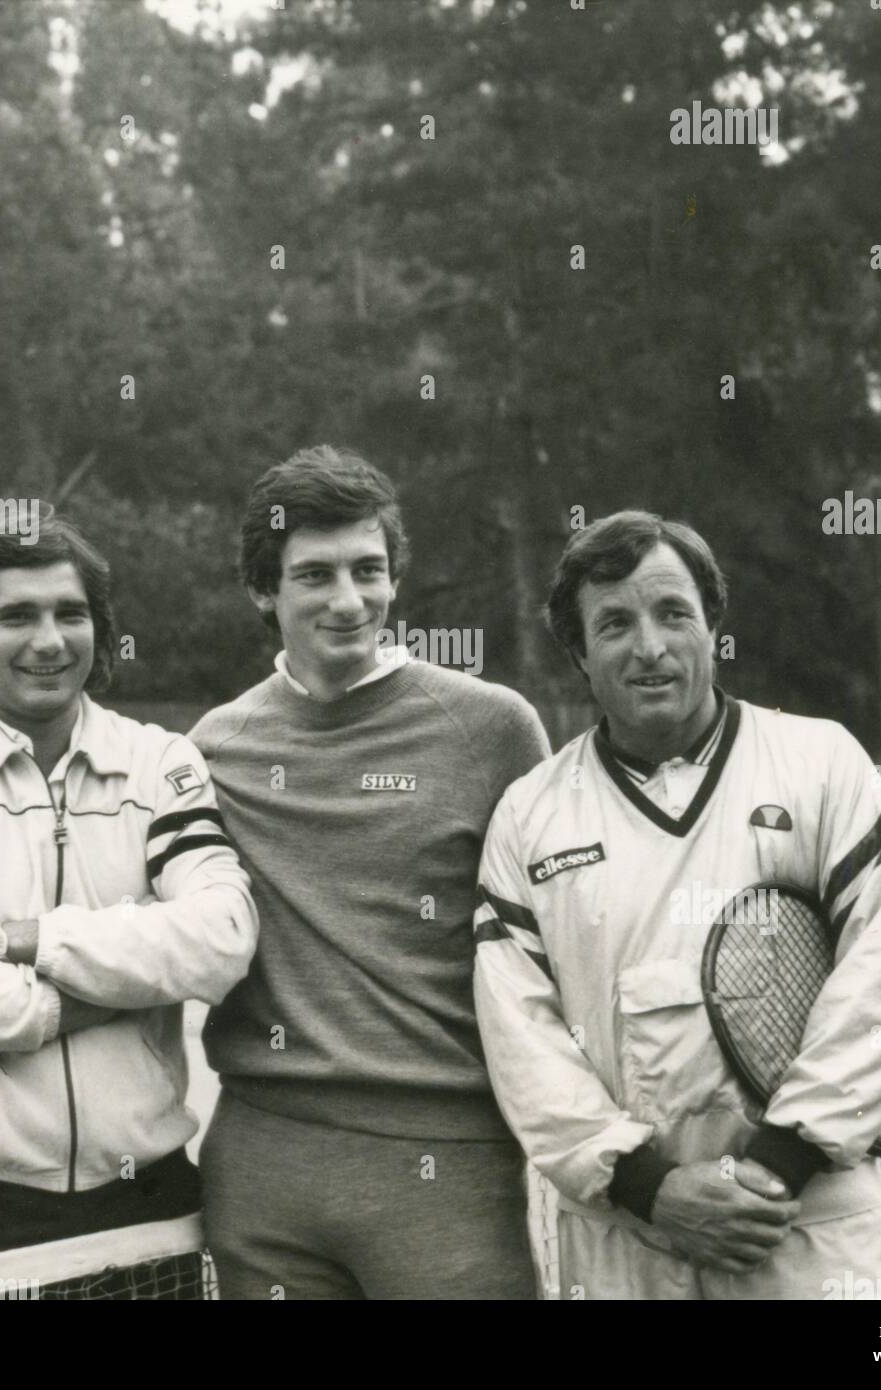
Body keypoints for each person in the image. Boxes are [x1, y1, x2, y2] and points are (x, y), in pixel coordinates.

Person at [473, 509, 881, 1299]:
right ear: (580, 653)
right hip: (625, 1242)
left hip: (804, 1228)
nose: (649, 646)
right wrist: (650, 1189)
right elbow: (522, 1038)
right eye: (613, 623)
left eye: (673, 613)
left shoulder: (820, 763)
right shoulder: (528, 815)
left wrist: (777, 1167)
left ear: (713, 627)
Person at [0, 515, 258, 1279]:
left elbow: (224, 934)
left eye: (71, 614)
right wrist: (85, 1004)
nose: (49, 639)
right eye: (17, 615)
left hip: (145, 1192)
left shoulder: (162, 763)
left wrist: (29, 939)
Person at [188, 445, 551, 1299]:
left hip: (450, 1172)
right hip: (261, 1175)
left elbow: (559, 942)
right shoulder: (210, 752)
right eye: (314, 575)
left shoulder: (494, 728)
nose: (348, 601)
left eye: (368, 570)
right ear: (263, 590)